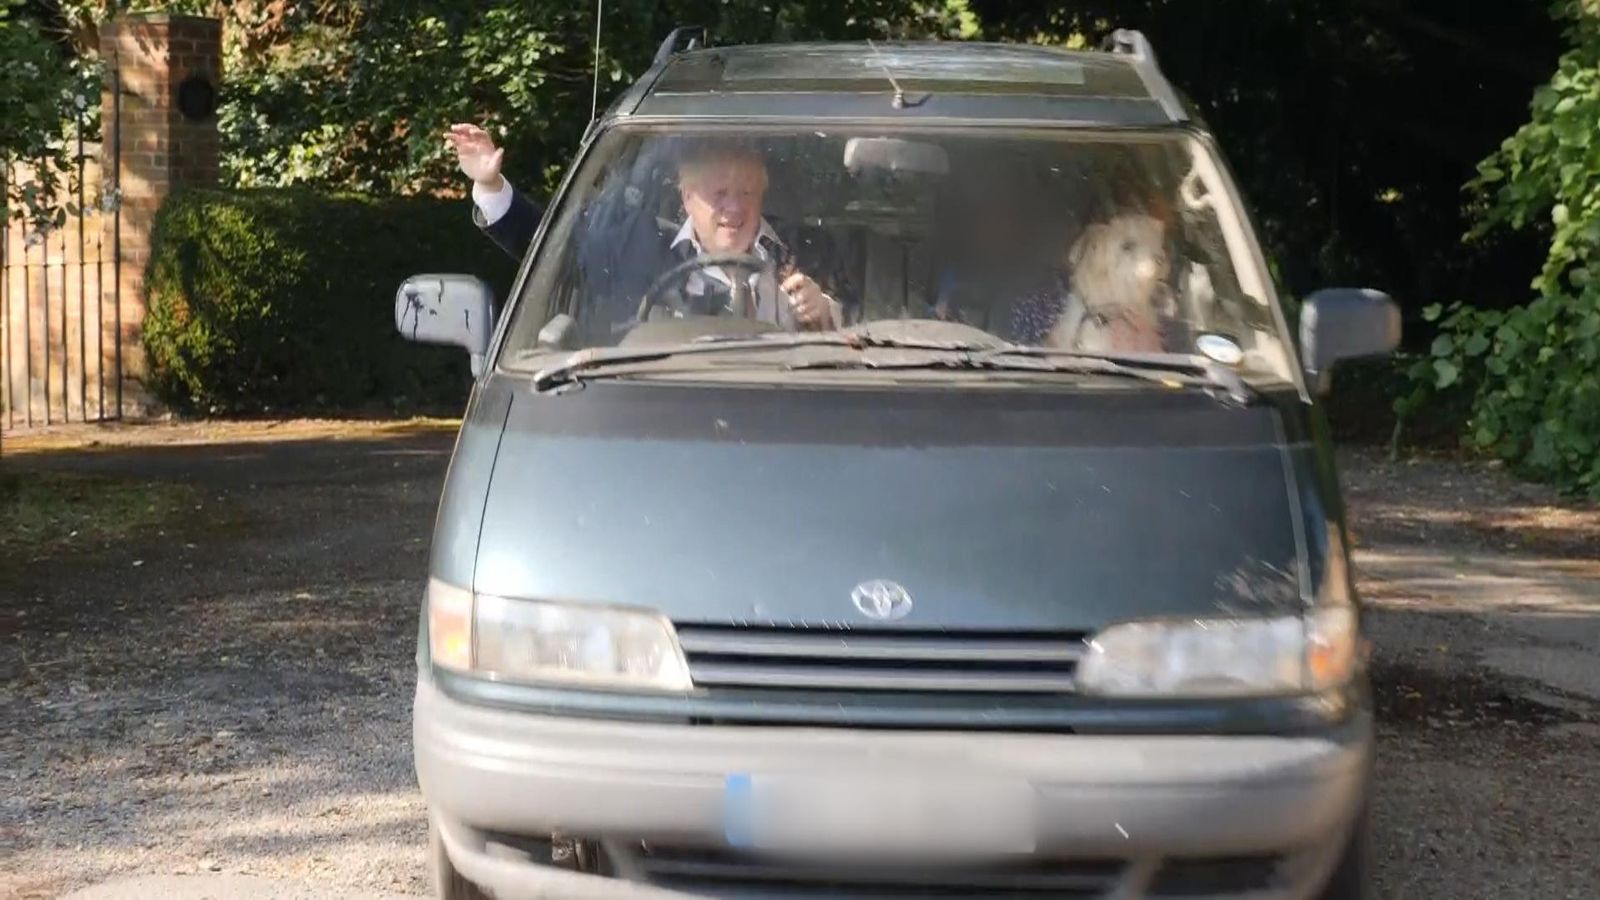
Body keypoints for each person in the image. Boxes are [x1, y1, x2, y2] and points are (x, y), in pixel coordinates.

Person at [443, 124, 842, 332]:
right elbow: (550, 251)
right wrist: (491, 186)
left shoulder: (809, 249)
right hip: (660, 422)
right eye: (718, 194)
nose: (734, 209)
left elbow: (878, 338)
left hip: (792, 422)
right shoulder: (633, 246)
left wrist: (826, 313)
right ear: (687, 197)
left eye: (747, 193)